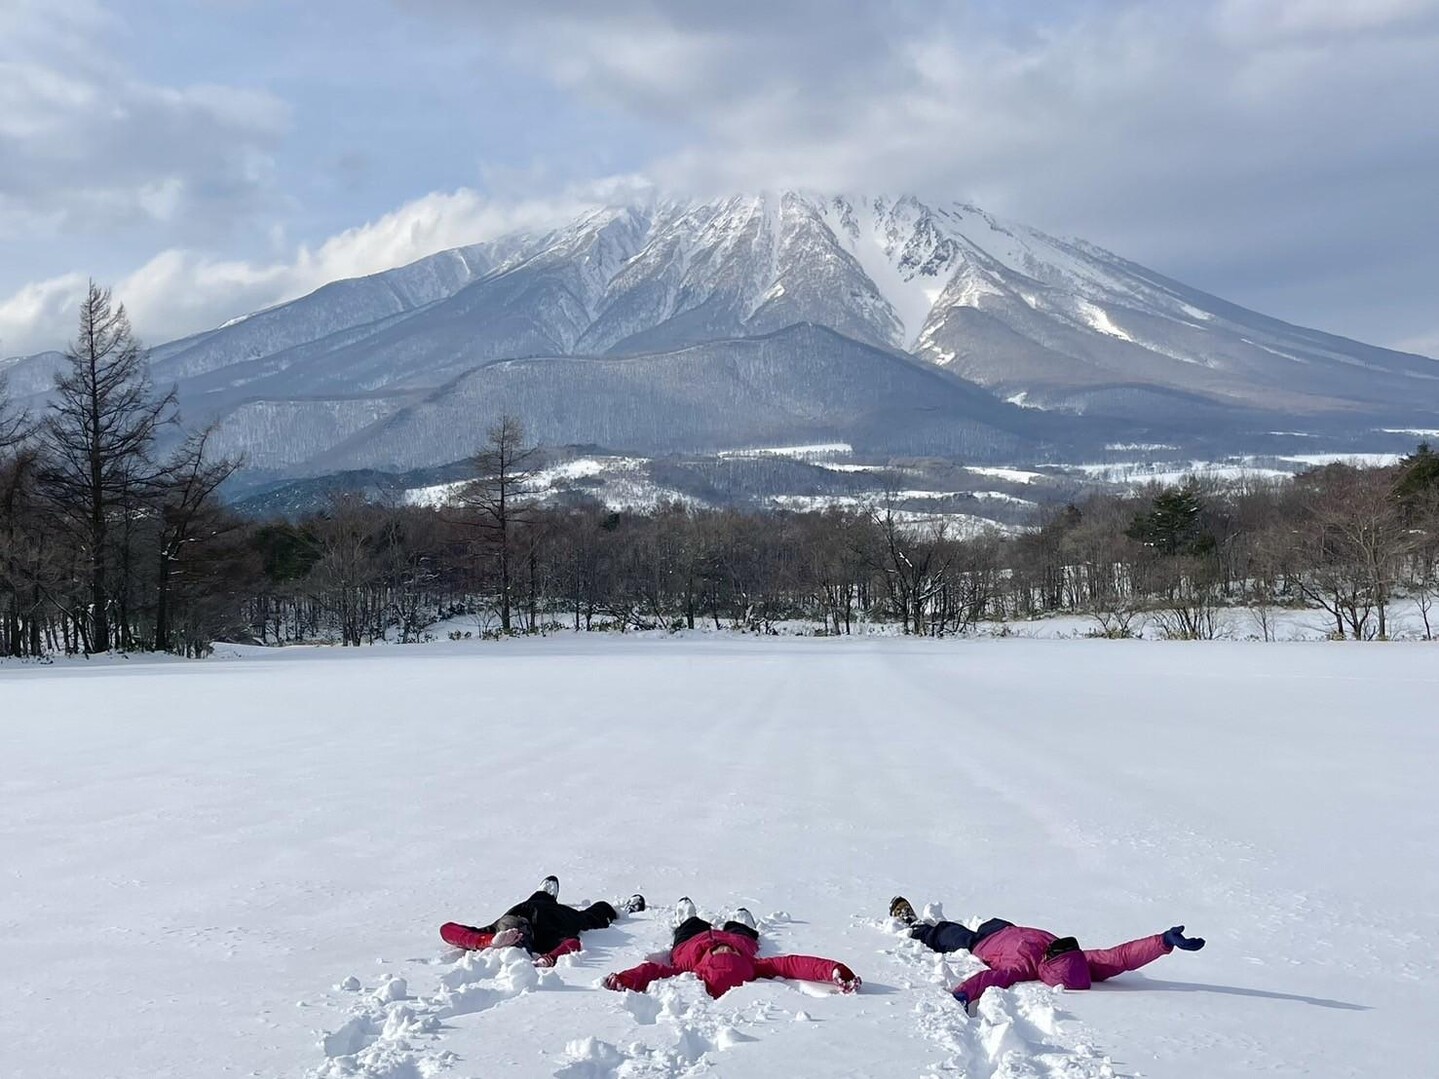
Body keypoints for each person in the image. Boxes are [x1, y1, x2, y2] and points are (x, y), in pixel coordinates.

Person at [888, 896, 1205, 1009]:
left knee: (945, 934)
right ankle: (930, 926)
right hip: (1005, 926)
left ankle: (914, 926)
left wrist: (963, 993)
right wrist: (1163, 941)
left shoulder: (1023, 968)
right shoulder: (1083, 961)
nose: (1058, 945)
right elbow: (1121, 957)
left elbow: (990, 977)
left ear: (1051, 967)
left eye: (1056, 951)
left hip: (980, 942)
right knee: (955, 929)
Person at [603, 897, 861, 999]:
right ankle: (743, 922)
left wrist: (625, 979)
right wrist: (835, 971)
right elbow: (794, 964)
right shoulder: (753, 964)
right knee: (741, 932)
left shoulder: (686, 967)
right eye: (728, 954)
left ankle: (687, 916)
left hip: (689, 943)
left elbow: (651, 971)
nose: (724, 950)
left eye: (723, 954)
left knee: (690, 925)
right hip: (742, 939)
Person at [441, 875, 645, 967]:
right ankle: (623, 910)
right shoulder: (547, 938)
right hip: (565, 916)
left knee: (538, 898)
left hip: (532, 904)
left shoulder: (495, 929)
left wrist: (487, 941)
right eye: (516, 936)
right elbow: (573, 942)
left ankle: (545, 892)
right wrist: (550, 957)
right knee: (597, 914)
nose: (516, 933)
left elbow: (447, 930)